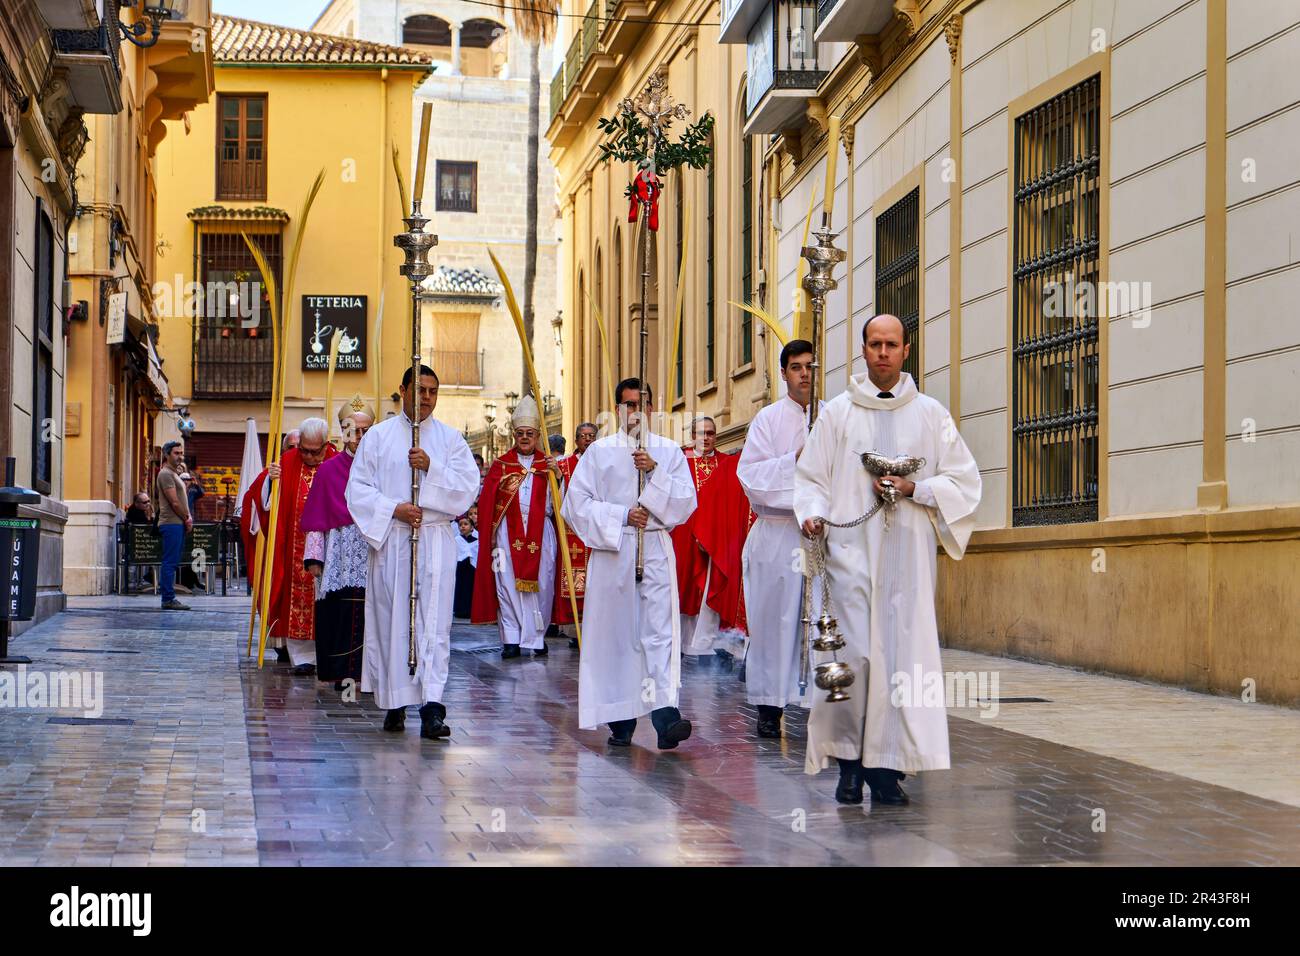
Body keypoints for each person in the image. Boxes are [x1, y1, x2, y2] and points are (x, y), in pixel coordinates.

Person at [794, 315, 981, 806]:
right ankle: (850, 767)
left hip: (908, 566)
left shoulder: (931, 415)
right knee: (853, 660)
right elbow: (810, 477)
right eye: (874, 344)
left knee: (902, 664)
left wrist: (915, 487)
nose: (882, 352)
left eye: (891, 345)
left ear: (906, 350)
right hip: (851, 559)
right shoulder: (836, 415)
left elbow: (966, 483)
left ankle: (887, 767)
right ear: (862, 350)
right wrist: (812, 515)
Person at [560, 378, 697, 750]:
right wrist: (622, 516)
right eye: (628, 405)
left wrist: (654, 472)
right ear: (617, 409)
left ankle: (665, 715)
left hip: (654, 546)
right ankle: (619, 717)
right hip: (614, 553)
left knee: (659, 633)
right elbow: (574, 506)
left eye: (642, 403)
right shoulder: (599, 452)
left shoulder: (668, 452)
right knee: (618, 635)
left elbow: (686, 503)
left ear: (653, 407)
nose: (636, 411)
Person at [345, 365, 478, 740]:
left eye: (433, 391)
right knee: (394, 620)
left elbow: (468, 488)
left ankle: (432, 705)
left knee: (434, 624)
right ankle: (396, 702)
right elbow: (358, 490)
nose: (427, 398)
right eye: (419, 390)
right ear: (402, 390)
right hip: (393, 540)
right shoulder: (378, 438)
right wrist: (394, 509)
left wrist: (431, 467)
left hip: (434, 539)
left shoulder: (450, 440)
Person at [736, 339, 820, 739]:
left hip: (820, 538)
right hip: (778, 535)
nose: (805, 373)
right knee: (775, 621)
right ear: (784, 373)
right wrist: (795, 461)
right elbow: (750, 476)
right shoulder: (767, 421)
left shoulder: (832, 417)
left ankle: (819, 703)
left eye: (810, 366)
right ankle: (770, 706)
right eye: (797, 367)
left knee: (819, 620)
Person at [471, 395, 559, 660]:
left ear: (537, 436)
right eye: (520, 433)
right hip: (506, 536)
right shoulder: (501, 465)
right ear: (514, 435)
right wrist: (491, 537)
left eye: (529, 434)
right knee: (506, 586)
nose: (524, 438)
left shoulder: (548, 465)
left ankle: (536, 637)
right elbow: (487, 504)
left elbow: (562, 503)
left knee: (543, 584)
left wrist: (560, 477)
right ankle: (510, 639)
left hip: (542, 534)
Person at [248, 418, 337, 674]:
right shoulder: (287, 462)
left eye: (314, 451)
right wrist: (270, 482)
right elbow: (261, 500)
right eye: (303, 451)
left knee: (328, 597)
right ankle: (303, 658)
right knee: (298, 597)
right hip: (296, 545)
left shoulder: (337, 461)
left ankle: (327, 652)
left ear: (325, 444)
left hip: (329, 543)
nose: (308, 456)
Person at [302, 400, 375, 690]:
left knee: (374, 611)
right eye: (352, 430)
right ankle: (342, 672)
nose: (358, 437)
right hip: (339, 552)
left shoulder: (381, 468)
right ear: (343, 432)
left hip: (374, 547)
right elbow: (316, 520)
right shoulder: (328, 470)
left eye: (364, 431)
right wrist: (315, 558)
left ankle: (370, 673)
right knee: (341, 611)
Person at [672, 416, 751, 662]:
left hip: (718, 535)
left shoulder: (726, 462)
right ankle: (684, 642)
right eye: (700, 433)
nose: (705, 438)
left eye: (710, 433)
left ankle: (708, 643)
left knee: (709, 586)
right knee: (685, 587)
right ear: (692, 436)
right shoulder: (679, 461)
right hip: (684, 531)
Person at [240, 430, 301, 663]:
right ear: (283, 451)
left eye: (300, 447)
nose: (295, 452)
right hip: (282, 549)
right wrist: (269, 482)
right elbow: (252, 502)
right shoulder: (272, 473)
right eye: (291, 447)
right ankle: (282, 643)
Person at [554, 422, 597, 648]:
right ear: (576, 439)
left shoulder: (603, 463)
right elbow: (558, 498)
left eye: (591, 436)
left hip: (596, 530)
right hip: (573, 530)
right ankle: (575, 631)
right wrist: (559, 477)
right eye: (583, 436)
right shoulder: (565, 464)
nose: (587, 440)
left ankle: (595, 629)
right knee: (575, 579)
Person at [154, 441, 192, 610]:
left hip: (177, 523)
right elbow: (174, 502)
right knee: (169, 562)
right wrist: (186, 518)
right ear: (167, 454)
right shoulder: (165, 474)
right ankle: (167, 598)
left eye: (181, 453)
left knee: (173, 561)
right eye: (176, 453)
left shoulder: (174, 473)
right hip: (171, 523)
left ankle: (169, 597)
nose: (179, 456)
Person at [124, 492, 155, 593]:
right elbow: (146, 526)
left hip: (139, 542)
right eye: (145, 502)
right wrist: (151, 516)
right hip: (135, 543)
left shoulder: (141, 511)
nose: (148, 504)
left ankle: (140, 580)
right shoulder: (135, 512)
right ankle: (132, 582)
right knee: (135, 560)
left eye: (149, 501)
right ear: (137, 503)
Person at [452, 516, 477, 619]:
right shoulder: (456, 540)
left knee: (470, 590)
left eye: (465, 524)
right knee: (460, 589)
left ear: (472, 527)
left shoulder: (477, 541)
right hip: (460, 568)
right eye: (460, 525)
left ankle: (470, 610)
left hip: (472, 569)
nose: (462, 527)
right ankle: (460, 610)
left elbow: (477, 554)